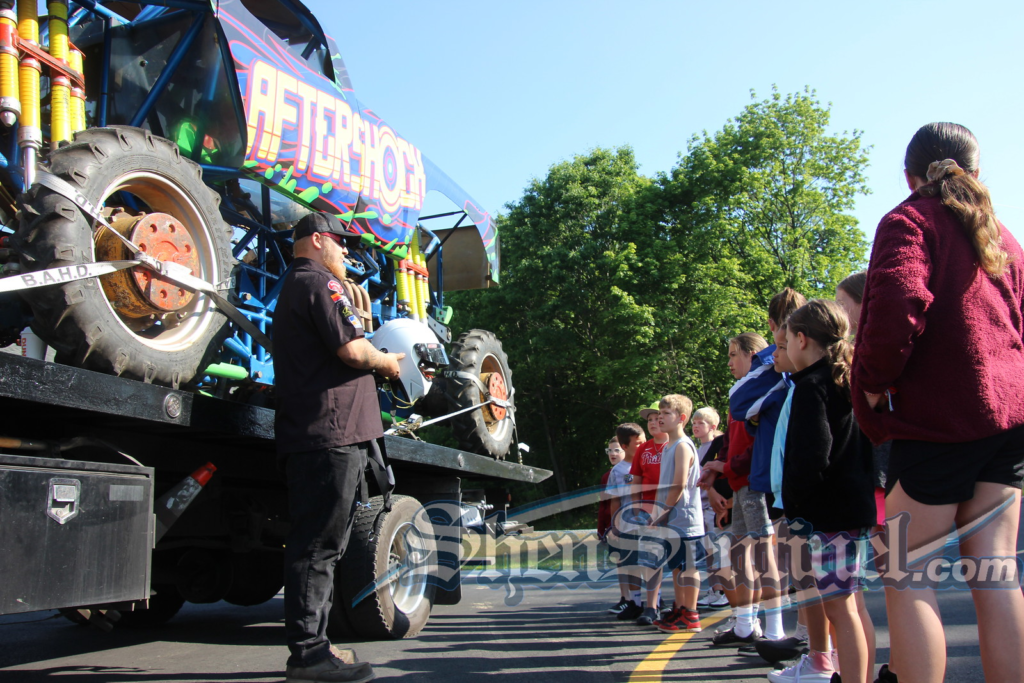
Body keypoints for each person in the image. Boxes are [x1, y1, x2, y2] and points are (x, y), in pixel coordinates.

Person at [852, 122, 1024, 683]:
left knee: (906, 571)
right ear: (977, 172)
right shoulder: (1001, 235)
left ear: (908, 175)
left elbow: (898, 302)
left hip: (941, 418)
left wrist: (875, 381)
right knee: (995, 575)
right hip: (1010, 416)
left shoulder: (908, 222)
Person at [274, 212, 404, 683]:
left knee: (321, 546)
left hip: (323, 435)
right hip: (330, 436)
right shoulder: (321, 284)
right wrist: (388, 363)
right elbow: (353, 351)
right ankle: (309, 657)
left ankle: (318, 647)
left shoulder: (299, 286)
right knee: (317, 548)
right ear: (316, 240)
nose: (347, 252)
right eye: (341, 243)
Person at [769, 299, 876, 683]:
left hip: (827, 516)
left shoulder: (812, 387)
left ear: (801, 339)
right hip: (852, 510)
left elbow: (813, 453)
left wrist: (795, 502)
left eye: (786, 340)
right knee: (845, 607)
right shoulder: (844, 381)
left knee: (840, 611)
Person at [649, 394, 706, 634]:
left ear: (681, 418)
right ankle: (681, 608)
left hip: (685, 520)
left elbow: (679, 484)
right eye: (659, 413)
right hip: (672, 521)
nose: (660, 417)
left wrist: (662, 512)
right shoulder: (669, 446)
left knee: (688, 567)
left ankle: (691, 613)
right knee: (677, 567)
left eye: (666, 414)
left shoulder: (683, 446)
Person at [629, 403, 671, 624]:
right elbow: (636, 481)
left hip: (673, 510)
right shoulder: (643, 450)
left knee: (680, 561)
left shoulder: (677, 445)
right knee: (650, 560)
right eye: (650, 420)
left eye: (657, 418)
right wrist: (636, 509)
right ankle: (651, 606)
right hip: (648, 511)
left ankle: (683, 606)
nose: (654, 422)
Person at [609, 422, 647, 620]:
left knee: (649, 563)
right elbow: (614, 500)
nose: (643, 445)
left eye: (644, 441)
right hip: (627, 524)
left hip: (648, 522)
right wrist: (614, 527)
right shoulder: (619, 471)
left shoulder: (648, 464)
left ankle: (655, 601)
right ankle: (635, 601)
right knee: (631, 564)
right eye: (638, 443)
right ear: (625, 447)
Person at [601, 436, 632, 613]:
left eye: (616, 450)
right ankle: (625, 597)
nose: (612, 454)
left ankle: (649, 599)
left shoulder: (636, 469)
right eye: (609, 450)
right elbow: (605, 505)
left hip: (633, 523)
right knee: (620, 561)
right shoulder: (608, 475)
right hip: (615, 525)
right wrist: (604, 528)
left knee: (639, 562)